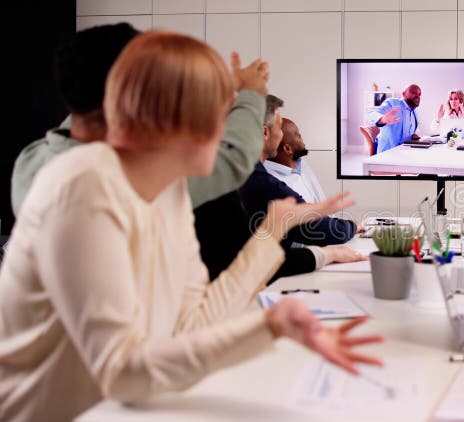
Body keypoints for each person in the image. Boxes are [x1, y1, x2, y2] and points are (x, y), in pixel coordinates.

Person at [0, 31, 382, 422]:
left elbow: (194, 322)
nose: (233, 132)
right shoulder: (82, 186)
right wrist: (268, 327)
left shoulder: (172, 191)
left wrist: (271, 261)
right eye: (222, 112)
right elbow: (121, 372)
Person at [11, 23, 271, 215]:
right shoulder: (124, 182)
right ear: (129, 90)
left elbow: (88, 98)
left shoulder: (32, 159)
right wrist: (252, 95)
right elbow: (233, 157)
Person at [194, 95, 365, 281]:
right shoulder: (259, 183)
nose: (282, 134)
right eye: (278, 126)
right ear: (265, 132)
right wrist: (338, 241)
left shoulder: (217, 173)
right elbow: (319, 229)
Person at [264, 117, 326, 203]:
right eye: (297, 134)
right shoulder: (272, 182)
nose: (301, 137)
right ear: (287, 149)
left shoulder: (301, 164)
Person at [367, 84, 422, 153]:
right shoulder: (393, 103)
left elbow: (411, 130)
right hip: (388, 153)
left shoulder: (414, 112)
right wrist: (382, 119)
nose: (417, 96)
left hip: (406, 152)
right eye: (414, 93)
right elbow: (370, 115)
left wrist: (413, 135)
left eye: (419, 94)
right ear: (404, 94)